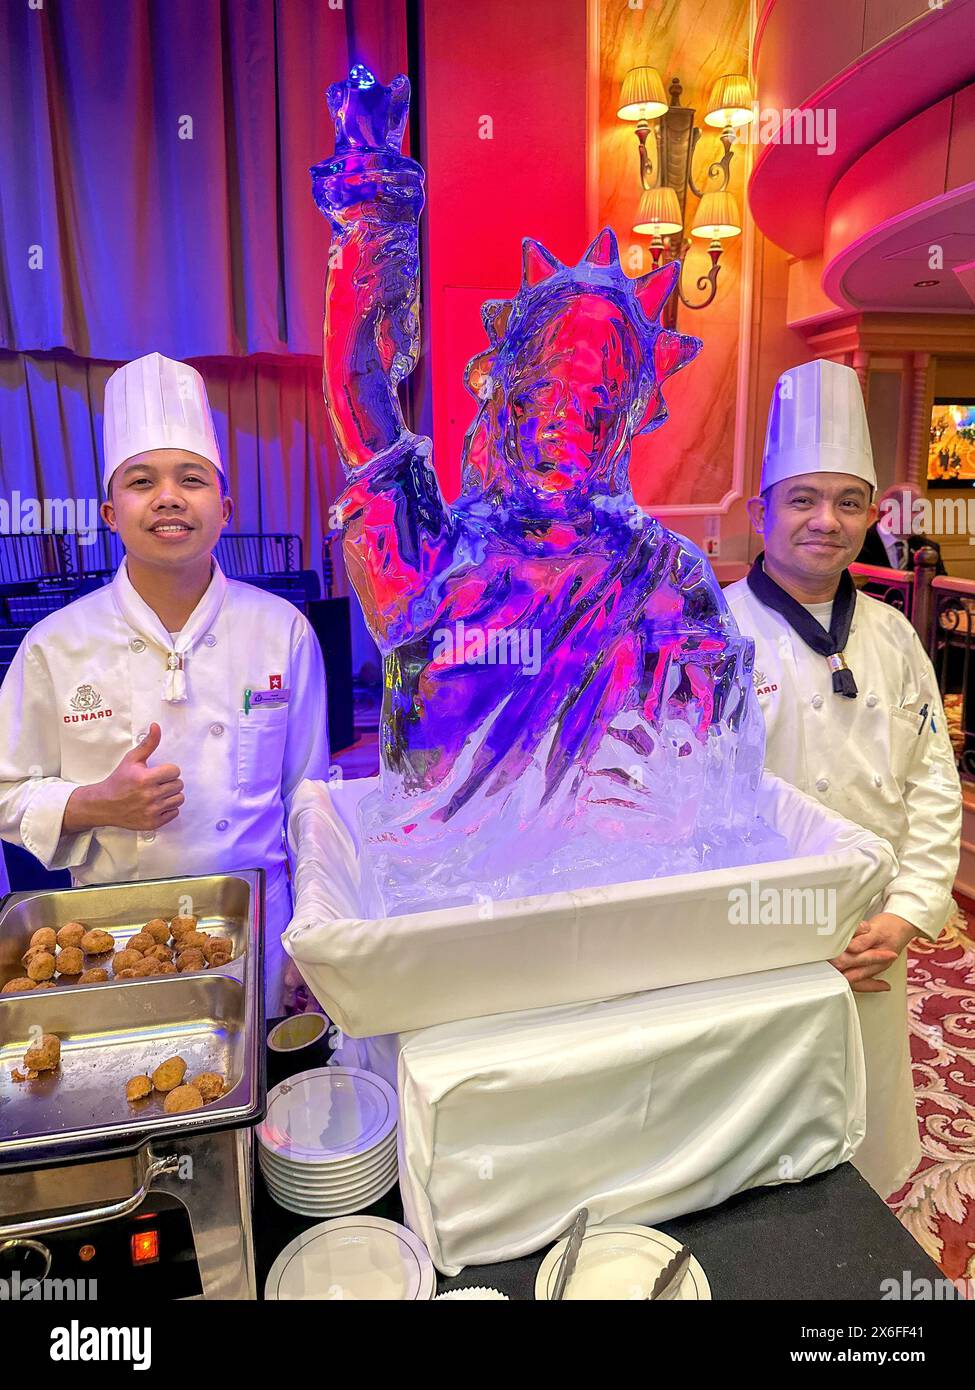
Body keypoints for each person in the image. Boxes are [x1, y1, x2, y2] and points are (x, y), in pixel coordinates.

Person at [0, 352, 329, 1014]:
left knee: (264, 1104)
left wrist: (315, 934)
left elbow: (310, 799)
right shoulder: (55, 646)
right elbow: (7, 789)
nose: (169, 496)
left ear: (225, 507)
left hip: (264, 935)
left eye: (192, 478)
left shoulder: (281, 631)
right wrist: (96, 804)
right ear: (110, 513)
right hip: (115, 941)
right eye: (142, 480)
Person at [725, 359, 962, 1198]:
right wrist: (774, 934)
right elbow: (689, 809)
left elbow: (932, 782)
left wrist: (907, 913)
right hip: (755, 933)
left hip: (874, 934)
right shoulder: (712, 632)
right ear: (760, 511)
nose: (825, 521)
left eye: (848, 501)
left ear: (869, 515)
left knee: (865, 1125)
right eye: (801, 499)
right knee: (760, 1143)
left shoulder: (896, 636)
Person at [857, 481, 945, 575]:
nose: (921, 516)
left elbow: (942, 588)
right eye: (915, 510)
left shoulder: (929, 549)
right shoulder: (859, 545)